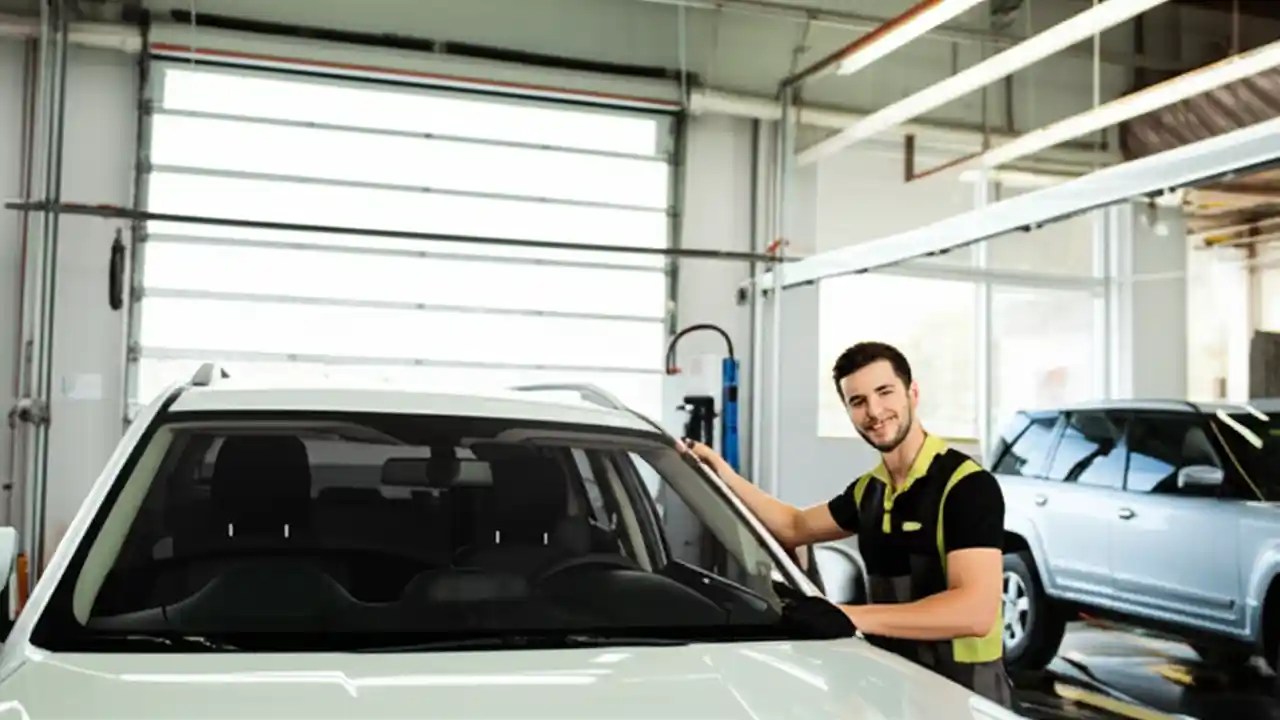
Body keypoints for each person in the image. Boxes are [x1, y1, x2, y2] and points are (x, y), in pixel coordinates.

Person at [684, 341, 1012, 707]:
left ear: (913, 393)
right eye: (858, 401)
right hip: (897, 684)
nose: (874, 411)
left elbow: (974, 612)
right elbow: (793, 526)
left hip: (965, 694)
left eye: (884, 392)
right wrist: (722, 473)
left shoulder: (965, 485)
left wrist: (844, 615)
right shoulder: (869, 491)